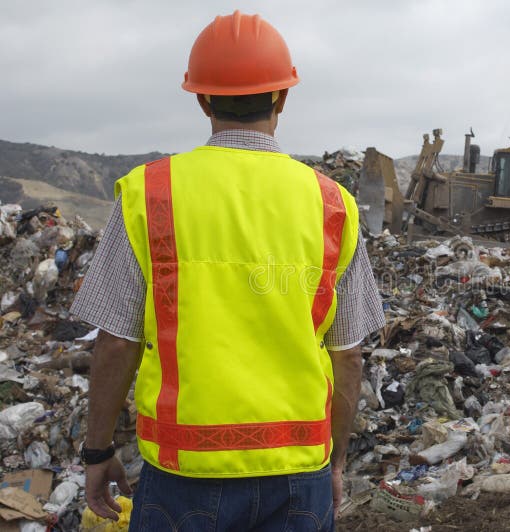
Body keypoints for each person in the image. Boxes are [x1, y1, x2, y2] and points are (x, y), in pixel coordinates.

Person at [70, 10, 385, 531]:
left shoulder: (151, 193)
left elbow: (116, 342)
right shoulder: (332, 204)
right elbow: (347, 354)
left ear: (201, 99)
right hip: (297, 473)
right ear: (282, 98)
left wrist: (97, 449)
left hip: (182, 473)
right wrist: (337, 463)